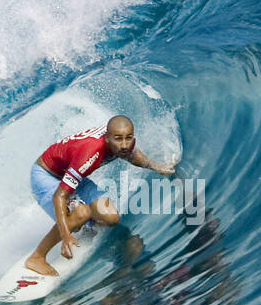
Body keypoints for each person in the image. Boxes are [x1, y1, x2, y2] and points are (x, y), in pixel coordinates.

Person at [25, 115, 177, 276]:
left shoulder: (123, 142)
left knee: (111, 217)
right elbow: (59, 197)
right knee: (81, 213)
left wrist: (155, 166)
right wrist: (66, 235)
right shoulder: (90, 153)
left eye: (129, 138)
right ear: (107, 138)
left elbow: (132, 155)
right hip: (46, 176)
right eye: (118, 139)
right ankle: (37, 257)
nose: (124, 145)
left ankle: (84, 224)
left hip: (70, 172)